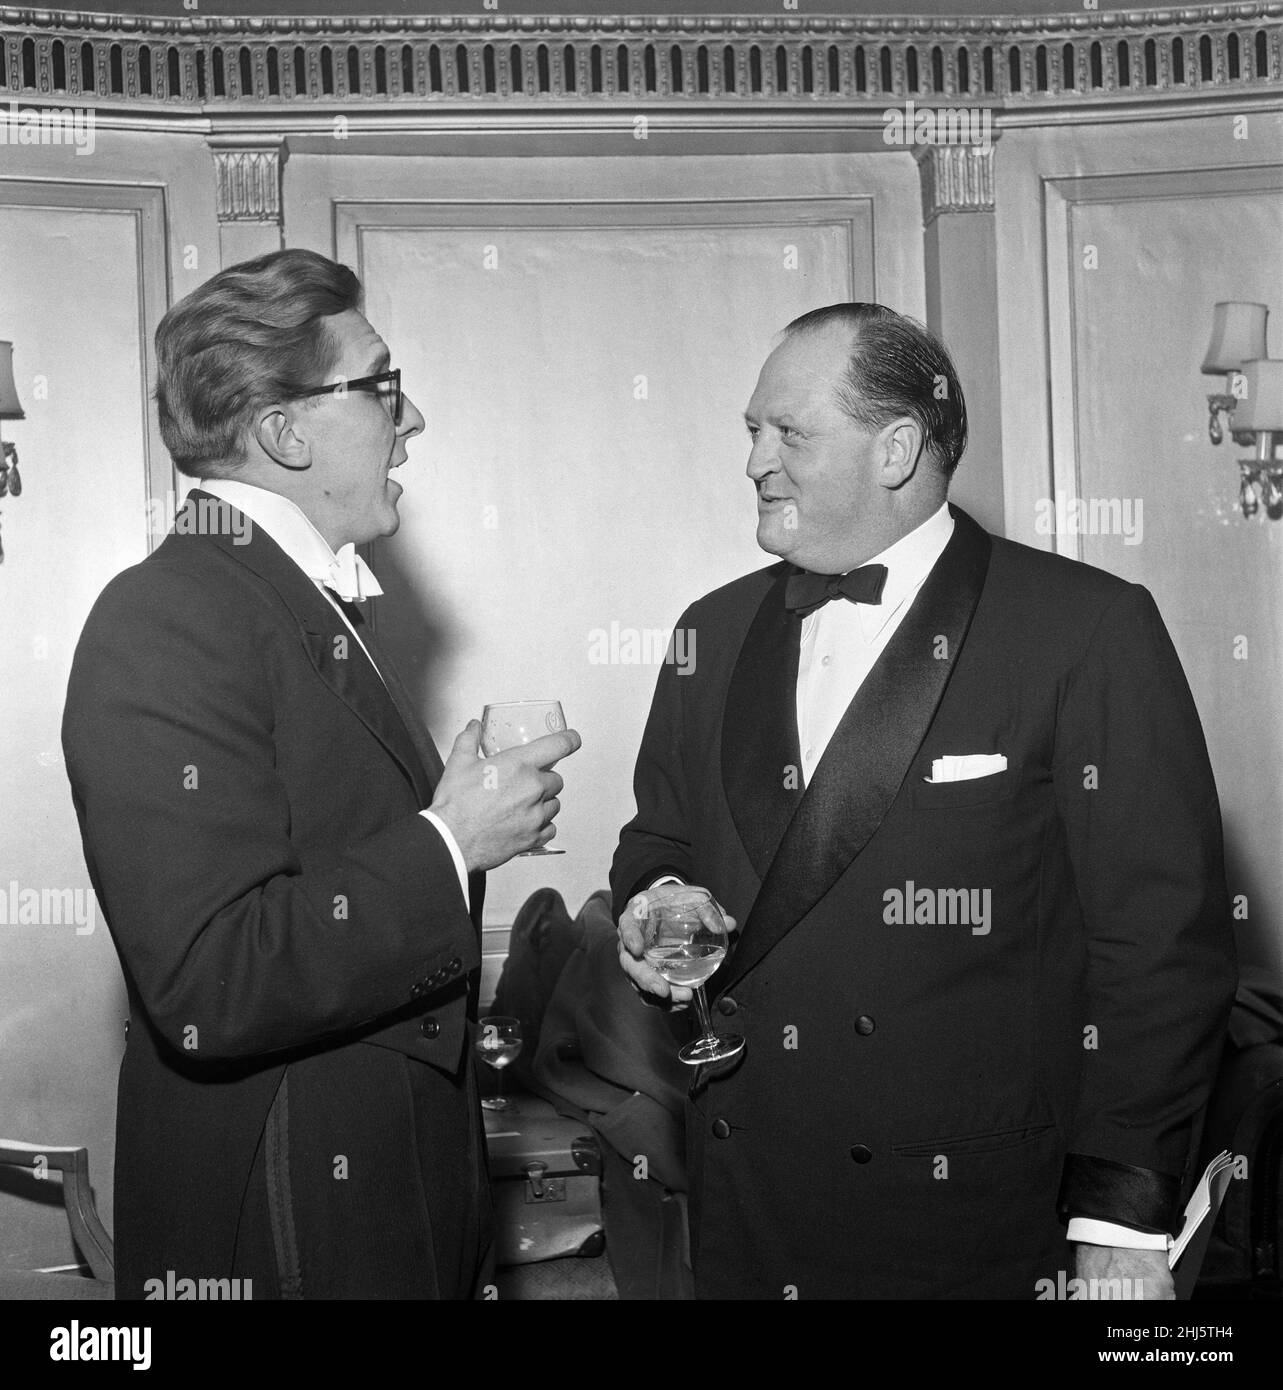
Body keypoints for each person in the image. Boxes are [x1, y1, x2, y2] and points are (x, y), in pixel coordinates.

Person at [612, 302, 1236, 1299]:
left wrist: (1120, 1217)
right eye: (750, 431)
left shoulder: (1082, 629)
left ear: (895, 446)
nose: (754, 460)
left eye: (787, 433)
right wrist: (655, 900)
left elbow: (1160, 949)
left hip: (974, 1217)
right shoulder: (711, 632)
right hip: (750, 1194)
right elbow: (656, 834)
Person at [62, 248, 579, 1300]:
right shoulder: (166, 615)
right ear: (284, 429)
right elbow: (211, 977)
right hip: (292, 1216)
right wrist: (448, 841)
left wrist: (442, 815)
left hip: (376, 1189)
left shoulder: (286, 600)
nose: (411, 418)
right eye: (381, 386)